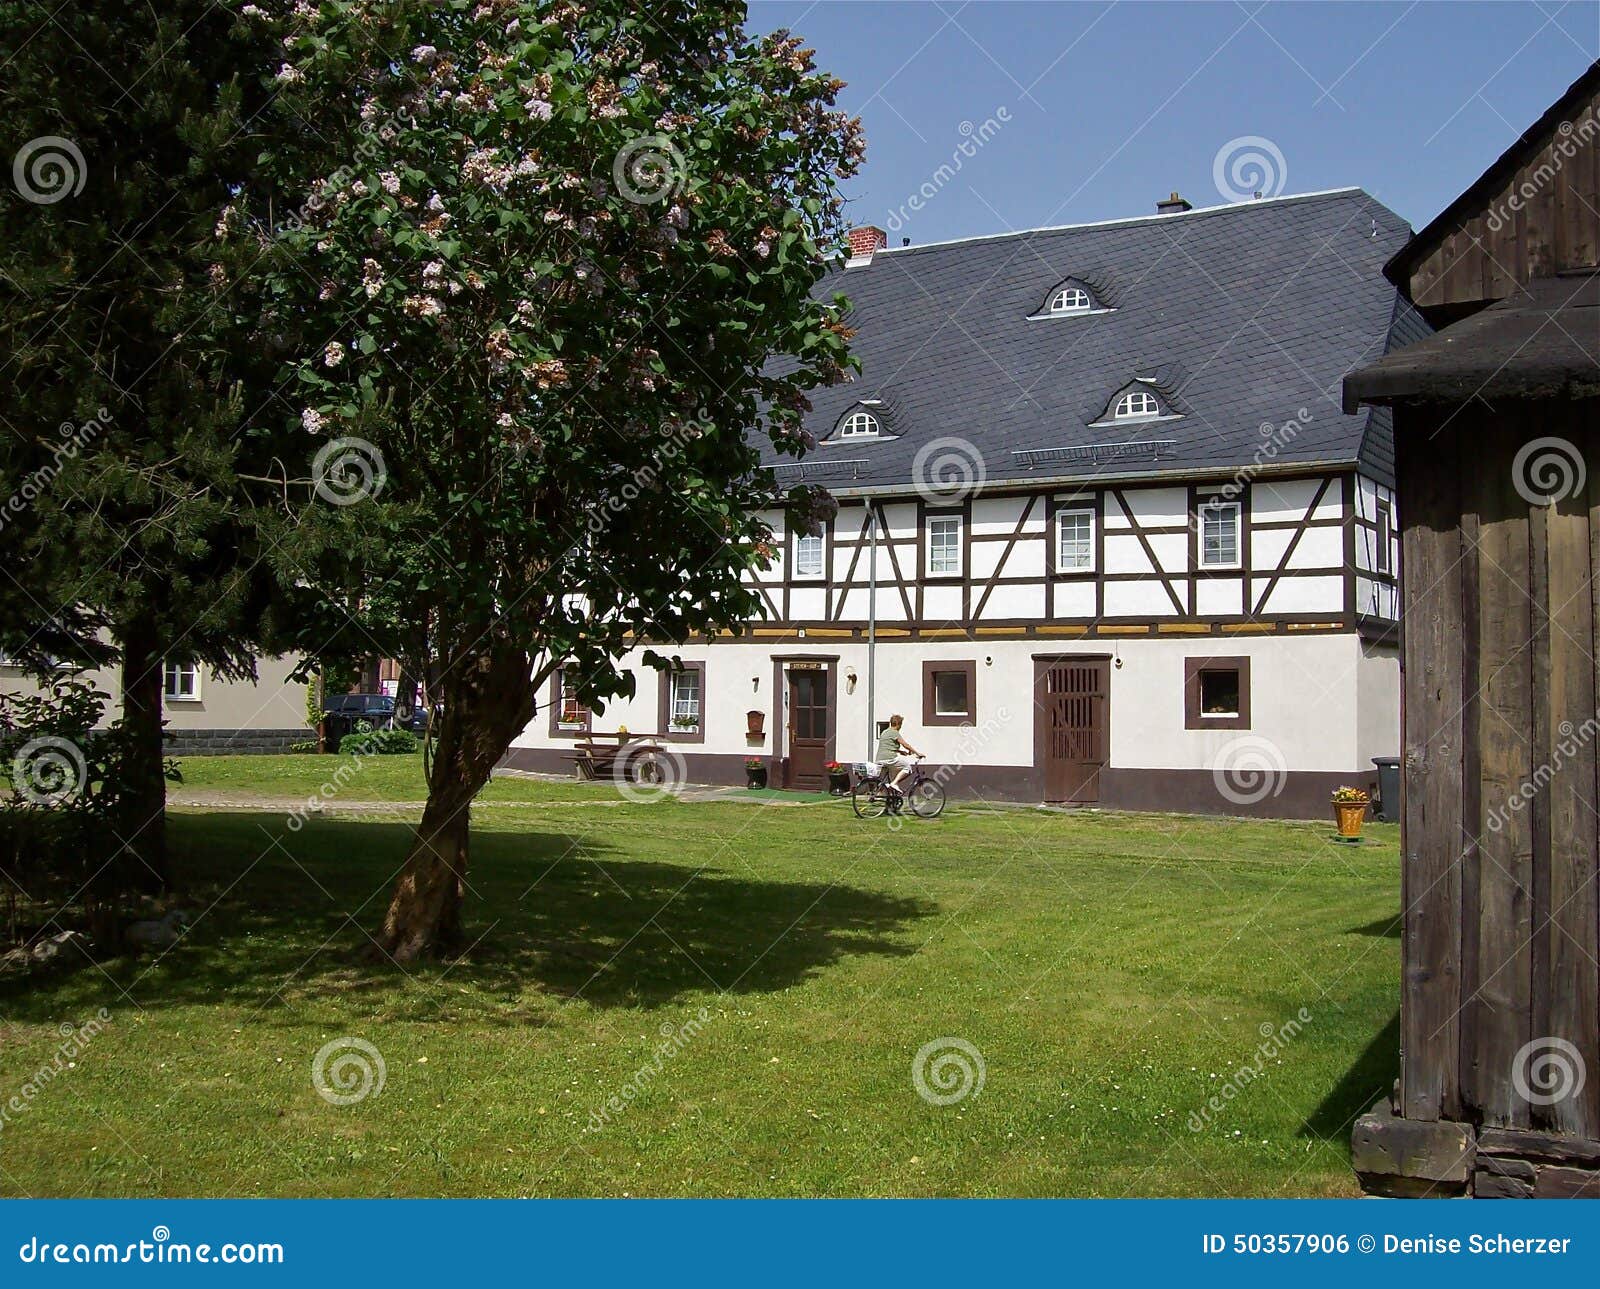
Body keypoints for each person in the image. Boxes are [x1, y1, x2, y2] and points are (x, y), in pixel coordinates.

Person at [875, 714, 922, 805]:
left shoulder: (885, 732)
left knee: (890, 780)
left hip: (880, 759)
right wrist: (917, 753)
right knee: (907, 767)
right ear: (898, 724)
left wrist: (901, 752)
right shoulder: (894, 732)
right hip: (889, 759)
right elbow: (905, 744)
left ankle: (890, 803)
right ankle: (894, 784)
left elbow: (888, 746)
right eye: (901, 724)